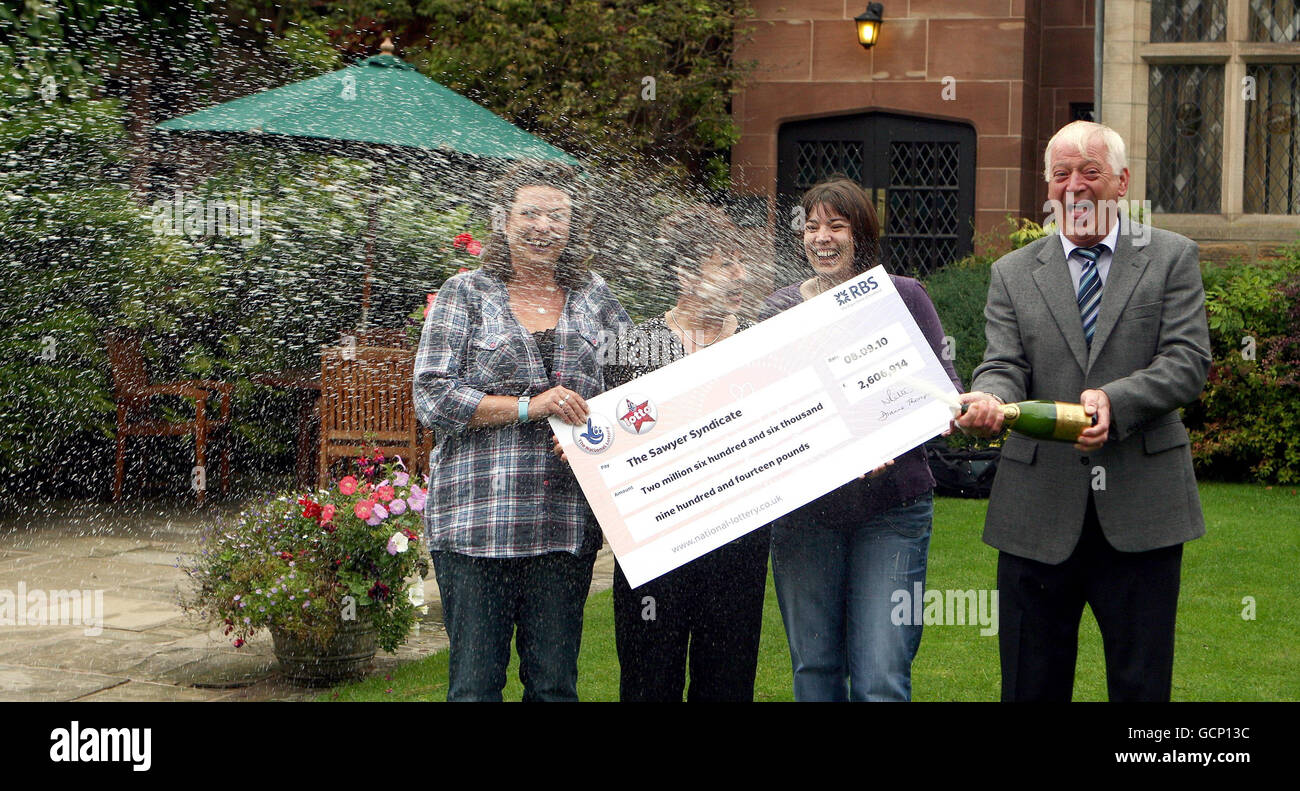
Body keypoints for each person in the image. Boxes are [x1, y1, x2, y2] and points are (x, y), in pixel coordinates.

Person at [955, 120, 1211, 702]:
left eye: (1090, 172)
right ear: (1048, 186)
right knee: (1031, 686)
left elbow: (1188, 359)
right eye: (1062, 173)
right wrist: (992, 398)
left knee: (1142, 689)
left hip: (1143, 508)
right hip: (1036, 511)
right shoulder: (1013, 273)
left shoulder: (1171, 257)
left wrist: (1115, 402)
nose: (1075, 186)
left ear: (1121, 182)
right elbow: (1004, 364)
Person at [413, 161, 631, 702]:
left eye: (557, 215)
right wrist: (530, 407)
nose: (543, 226)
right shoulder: (465, 293)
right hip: (475, 523)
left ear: (572, 226)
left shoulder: (595, 296)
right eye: (529, 212)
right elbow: (432, 396)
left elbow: (635, 380)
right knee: (475, 687)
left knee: (555, 686)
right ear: (502, 222)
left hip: (564, 522)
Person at [759, 178, 962, 701]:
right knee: (816, 671)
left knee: (880, 677)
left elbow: (946, 392)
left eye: (836, 225)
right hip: (806, 513)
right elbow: (764, 410)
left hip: (892, 509)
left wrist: (889, 440)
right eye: (810, 226)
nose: (821, 237)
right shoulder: (779, 310)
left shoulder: (903, 296)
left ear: (861, 235)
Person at [603, 204, 768, 702]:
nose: (741, 275)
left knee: (727, 686)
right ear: (684, 274)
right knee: (648, 683)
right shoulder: (635, 345)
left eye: (742, 262)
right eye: (725, 264)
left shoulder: (762, 342)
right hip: (655, 550)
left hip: (738, 548)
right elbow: (612, 446)